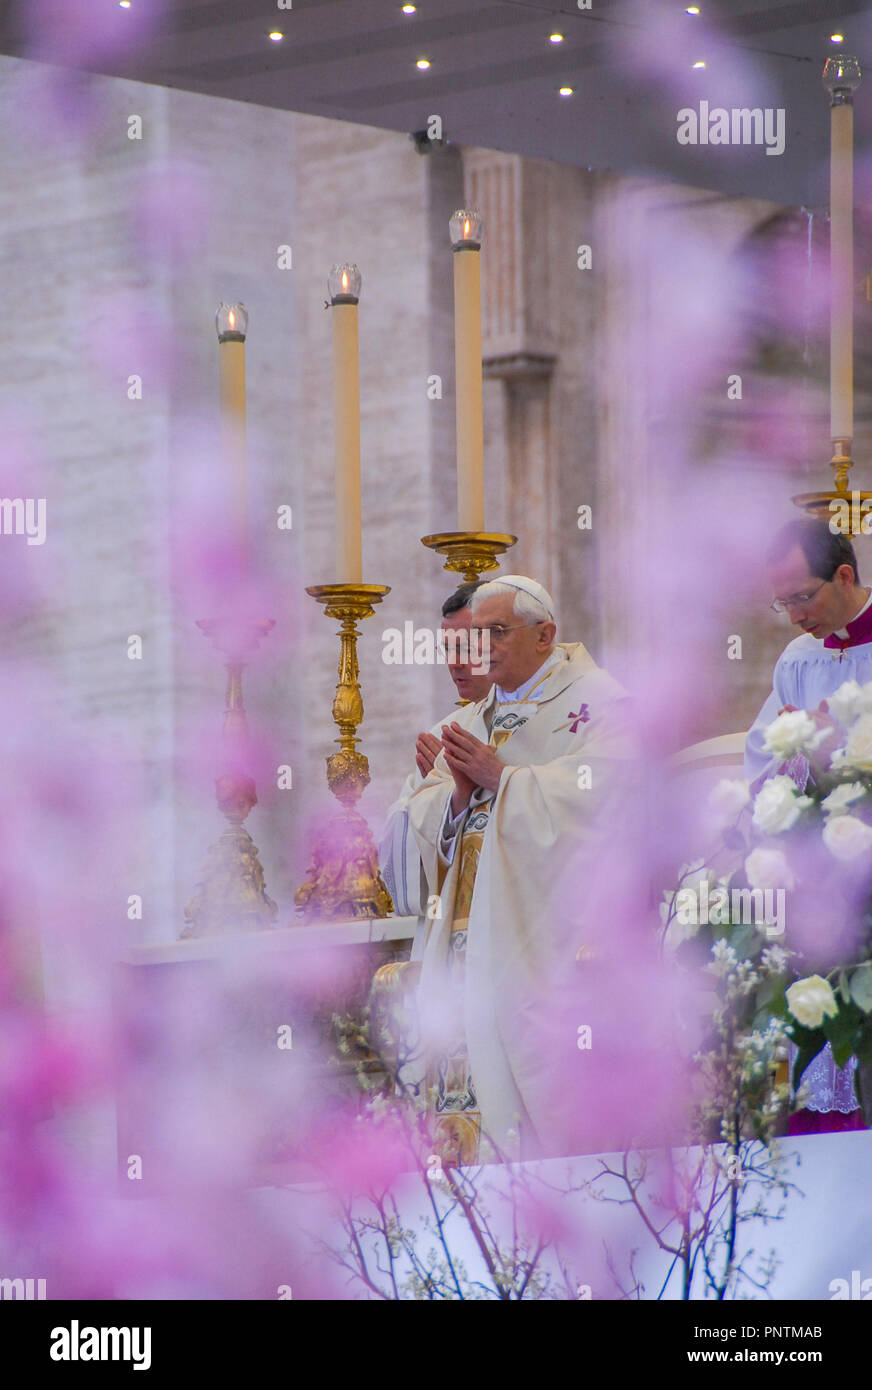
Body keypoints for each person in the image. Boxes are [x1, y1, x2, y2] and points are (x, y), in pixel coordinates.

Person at [404, 575, 635, 1162]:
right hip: (464, 943)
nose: (481, 648)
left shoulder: (599, 702)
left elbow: (610, 796)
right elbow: (420, 814)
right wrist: (455, 796)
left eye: (497, 632)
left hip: (544, 943)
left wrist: (502, 779)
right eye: (476, 634)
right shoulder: (471, 719)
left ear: (546, 634)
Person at [745, 518, 869, 1133]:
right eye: (782, 601)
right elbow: (760, 767)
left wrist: (845, 749)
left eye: (803, 597)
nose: (794, 616)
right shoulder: (797, 659)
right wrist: (798, 756)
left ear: (845, 575)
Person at [378, 580, 492, 923]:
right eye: (448, 649)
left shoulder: (542, 720)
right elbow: (396, 856)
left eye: (467, 648)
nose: (455, 664)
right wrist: (444, 798)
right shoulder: (443, 736)